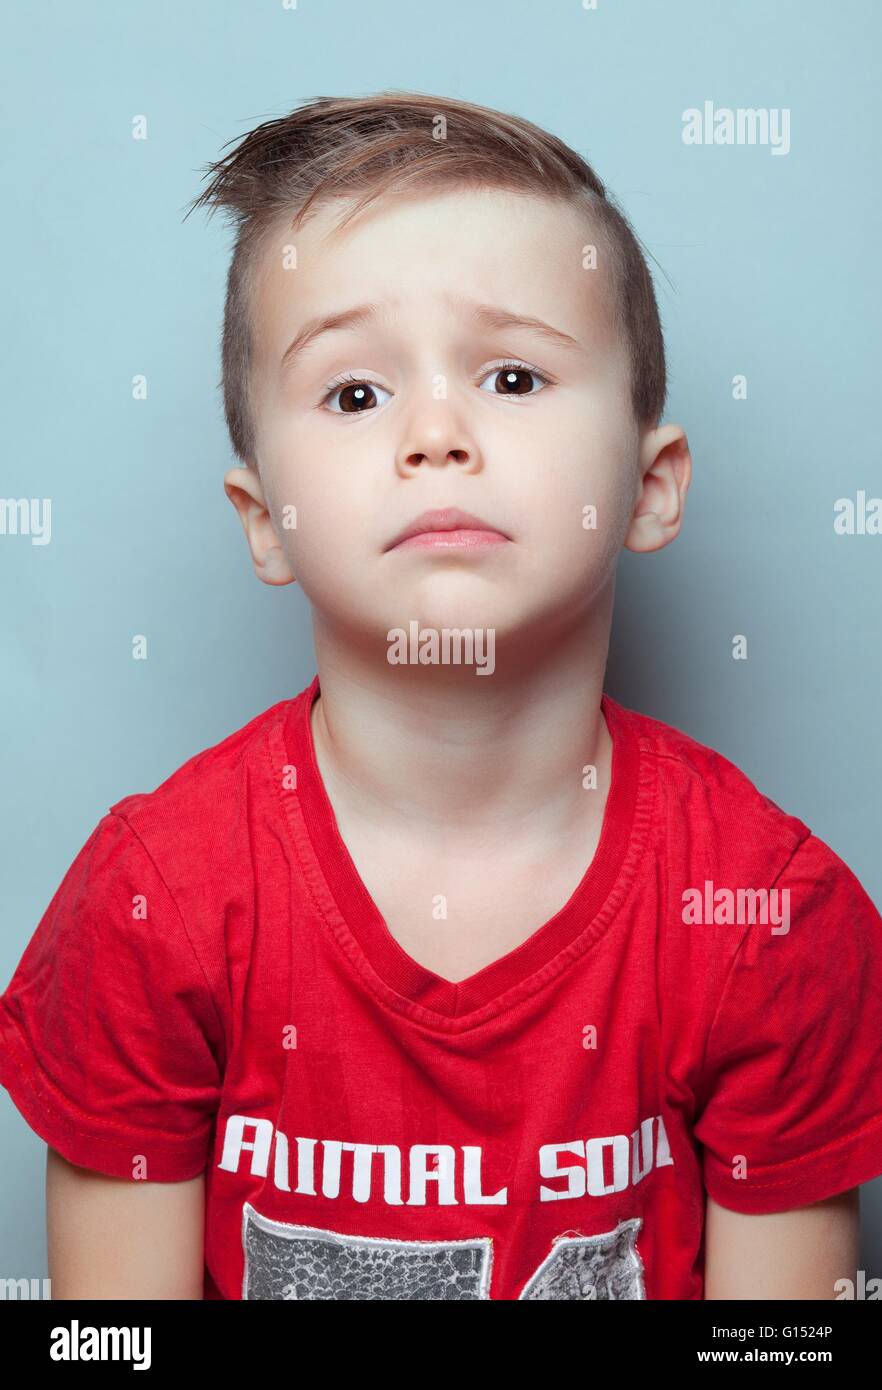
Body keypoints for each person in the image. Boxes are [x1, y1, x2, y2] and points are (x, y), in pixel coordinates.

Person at [2, 91, 881, 1301]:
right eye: (355, 394)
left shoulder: (768, 919)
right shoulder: (155, 905)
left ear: (652, 486)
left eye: (514, 374)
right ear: (266, 522)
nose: (434, 431)